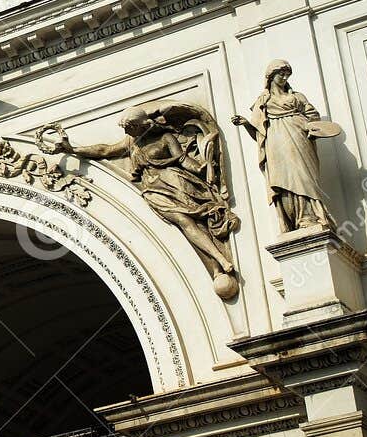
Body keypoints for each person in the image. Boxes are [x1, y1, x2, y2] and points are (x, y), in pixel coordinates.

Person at [45, 107, 240, 298]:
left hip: (175, 183)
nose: (125, 132)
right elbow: (106, 150)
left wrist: (200, 167)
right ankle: (220, 261)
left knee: (195, 222)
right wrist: (73, 149)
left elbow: (183, 160)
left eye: (128, 127)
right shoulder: (132, 142)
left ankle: (218, 264)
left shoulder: (165, 138)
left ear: (141, 124)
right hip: (154, 190)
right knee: (184, 222)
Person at [235, 60, 339, 232]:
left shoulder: (298, 97)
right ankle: (296, 220)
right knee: (283, 179)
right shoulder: (262, 102)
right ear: (271, 76)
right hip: (276, 143)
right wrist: (246, 123)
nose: (284, 77)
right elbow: (260, 134)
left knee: (303, 176)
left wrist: (306, 125)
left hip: (300, 139)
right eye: (280, 74)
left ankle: (311, 215)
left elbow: (314, 117)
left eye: (287, 75)